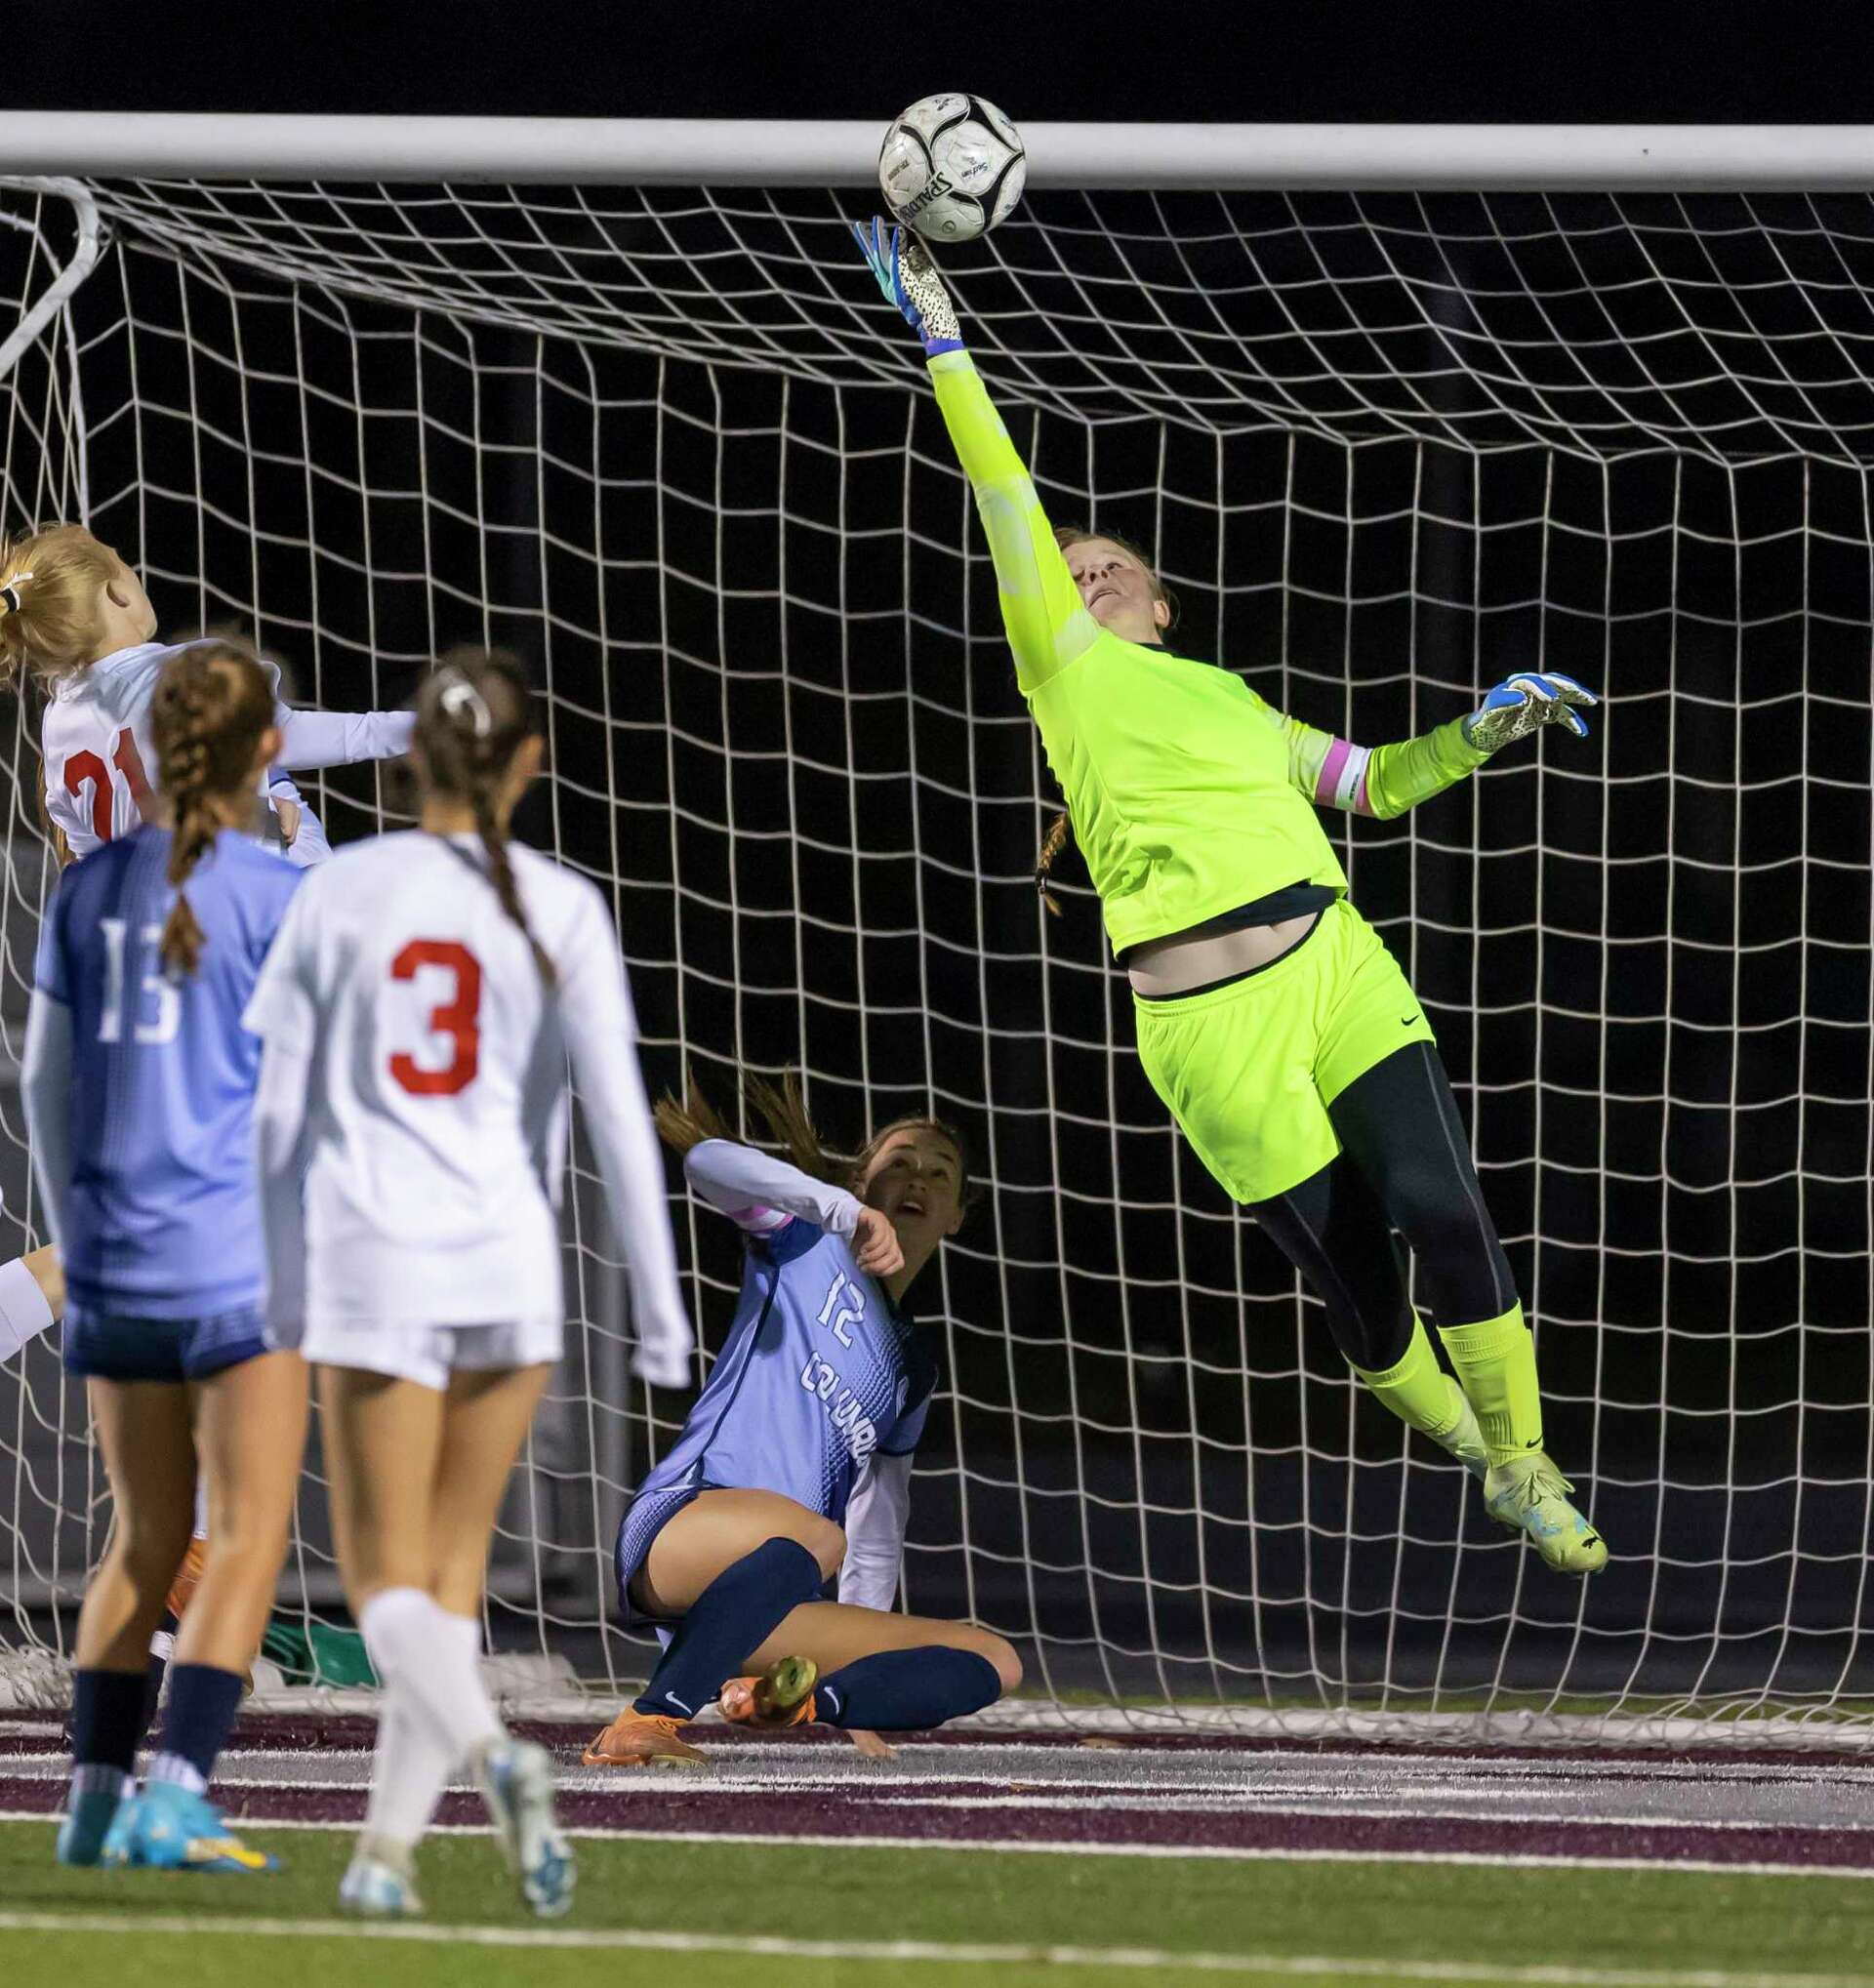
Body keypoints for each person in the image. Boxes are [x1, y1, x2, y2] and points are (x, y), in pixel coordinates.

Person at [851, 220, 1607, 1577]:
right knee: (1364, 1291)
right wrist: (945, 339)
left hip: (1335, 966)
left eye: (1112, 567)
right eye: (1070, 571)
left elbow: (1371, 785)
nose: (1085, 574)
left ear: (1164, 604)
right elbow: (1003, 491)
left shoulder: (1235, 702)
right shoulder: (1065, 668)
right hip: (1206, 1031)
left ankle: (1531, 1461)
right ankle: (1481, 1456)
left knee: (1444, 1209)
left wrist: (1484, 733)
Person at [246, 649, 694, 1921]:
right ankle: (385, 1855)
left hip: (375, 1262)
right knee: (443, 1590)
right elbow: (618, 1118)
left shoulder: (340, 891)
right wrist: (660, 1308)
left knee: (389, 1591)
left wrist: (263, 1273)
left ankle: (498, 1765)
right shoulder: (560, 900)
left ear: (405, 760)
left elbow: (277, 1117)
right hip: (507, 1270)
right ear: (528, 764)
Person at [22, 640, 308, 1874]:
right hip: (233, 1252)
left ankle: (88, 1805)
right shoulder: (285, 894)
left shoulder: (85, 891)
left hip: (117, 1253)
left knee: (142, 1538)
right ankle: (177, 1793)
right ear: (265, 753)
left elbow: (42, 1084)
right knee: (244, 1534)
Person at [584, 1075, 1021, 1770]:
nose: (918, 1179)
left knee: (992, 1658)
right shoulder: (807, 1242)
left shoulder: (911, 1365)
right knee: (818, 1533)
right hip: (681, 1526)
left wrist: (863, 1695)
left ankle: (795, 1701)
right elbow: (706, 1163)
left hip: (765, 1588)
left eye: (940, 1172)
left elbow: (878, 1528)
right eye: (898, 1162)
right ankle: (650, 1718)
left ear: (957, 1215)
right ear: (862, 1181)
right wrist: (840, 1209)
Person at [0, 523, 411, 865]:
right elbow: (292, 737)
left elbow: (85, 854)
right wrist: (414, 729)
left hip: (154, 928)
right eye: (126, 564)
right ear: (116, 594)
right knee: (276, 776)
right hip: (246, 901)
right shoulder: (188, 671)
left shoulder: (56, 727)